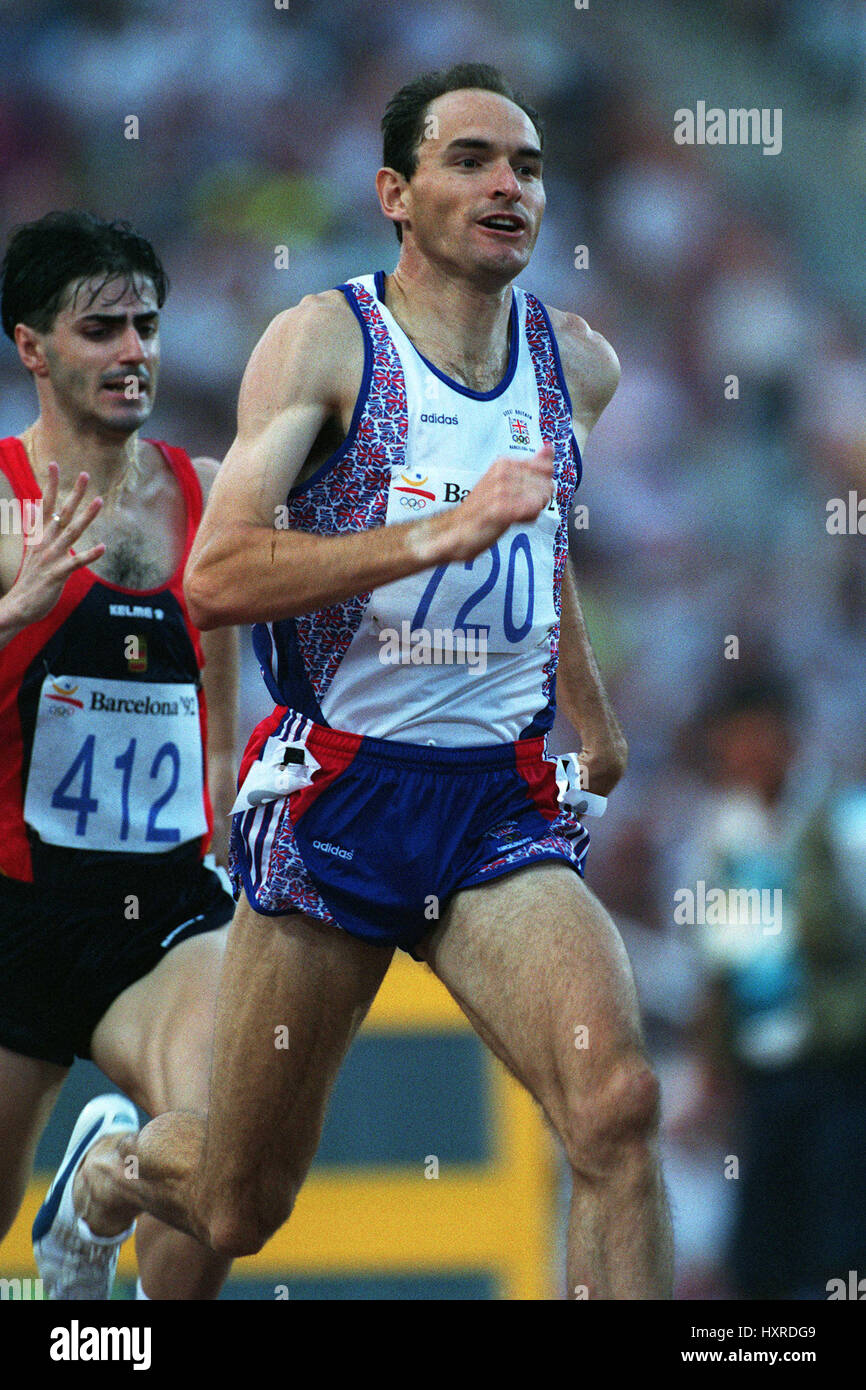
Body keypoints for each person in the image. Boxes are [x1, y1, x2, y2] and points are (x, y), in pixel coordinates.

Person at [48, 65, 673, 1300]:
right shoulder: (327, 344)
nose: (509, 185)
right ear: (394, 193)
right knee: (239, 1197)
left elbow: (534, 545)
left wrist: (585, 708)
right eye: (472, 160)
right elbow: (217, 576)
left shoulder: (575, 364)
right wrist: (426, 537)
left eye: (528, 166)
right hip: (336, 797)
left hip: (494, 805)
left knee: (617, 1106)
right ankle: (113, 1167)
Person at [0, 211, 238, 1299]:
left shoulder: (209, 497)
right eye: (101, 329)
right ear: (32, 347)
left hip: (162, 917)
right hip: (14, 911)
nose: (134, 350)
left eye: (146, 324)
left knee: (226, 1172)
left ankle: (99, 1202)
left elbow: (219, 721)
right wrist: (14, 613)